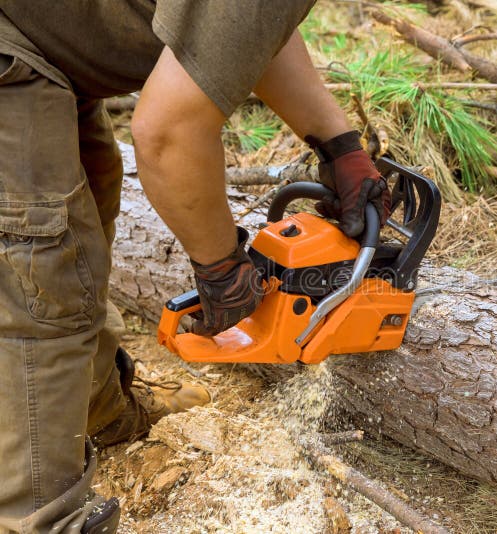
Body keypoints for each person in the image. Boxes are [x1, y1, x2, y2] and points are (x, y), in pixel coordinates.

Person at [0, 2, 390, 532]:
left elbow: (248, 30)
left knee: (88, 198)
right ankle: (35, 518)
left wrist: (338, 144)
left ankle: (95, 409)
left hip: (48, 41)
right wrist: (220, 266)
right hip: (12, 49)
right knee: (42, 270)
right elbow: (165, 135)